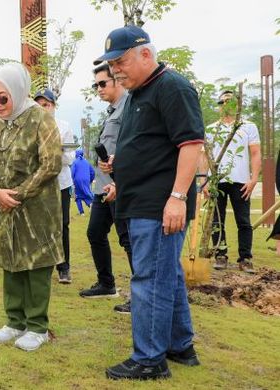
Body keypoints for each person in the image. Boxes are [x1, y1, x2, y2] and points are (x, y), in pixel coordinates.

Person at [95, 26, 203, 380]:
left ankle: (149, 359)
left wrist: (177, 198)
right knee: (165, 276)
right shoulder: (140, 92)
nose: (116, 71)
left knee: (149, 280)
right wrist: (118, 170)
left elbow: (190, 145)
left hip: (159, 205)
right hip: (140, 199)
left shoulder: (172, 86)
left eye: (121, 61)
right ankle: (179, 346)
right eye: (112, 65)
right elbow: (149, 148)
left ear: (145, 54)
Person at [0, 63, 63, 352]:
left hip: (38, 207)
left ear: (18, 90)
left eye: (3, 97)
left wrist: (19, 193)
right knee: (10, 262)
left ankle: (37, 326)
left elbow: (51, 163)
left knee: (36, 263)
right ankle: (14, 321)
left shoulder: (40, 119)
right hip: (4, 206)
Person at [78, 63, 133, 315]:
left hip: (119, 186)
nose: (98, 89)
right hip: (102, 187)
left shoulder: (130, 108)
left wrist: (119, 176)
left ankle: (140, 295)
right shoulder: (113, 111)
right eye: (95, 85)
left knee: (129, 240)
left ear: (118, 81)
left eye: (102, 83)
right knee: (95, 233)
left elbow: (132, 147)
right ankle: (106, 283)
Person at [205, 90, 261, 273]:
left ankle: (245, 258)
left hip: (241, 181)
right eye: (223, 103)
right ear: (219, 106)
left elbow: (255, 153)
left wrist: (253, 179)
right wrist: (205, 181)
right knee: (217, 220)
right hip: (217, 180)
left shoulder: (248, 126)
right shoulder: (212, 128)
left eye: (230, 102)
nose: (226, 106)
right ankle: (220, 255)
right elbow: (206, 156)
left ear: (237, 105)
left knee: (243, 221)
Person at [34, 88, 75, 284]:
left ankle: (63, 266)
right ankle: (42, 266)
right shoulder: (30, 126)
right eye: (39, 105)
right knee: (41, 224)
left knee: (62, 225)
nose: (43, 109)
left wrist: (54, 150)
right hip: (39, 184)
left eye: (46, 105)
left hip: (61, 183)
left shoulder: (64, 127)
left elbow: (70, 157)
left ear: (53, 106)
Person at [71, 149, 95, 215]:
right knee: (85, 194)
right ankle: (90, 204)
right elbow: (93, 172)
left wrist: (72, 180)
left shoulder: (75, 162)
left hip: (77, 180)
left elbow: (72, 172)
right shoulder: (87, 162)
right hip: (86, 180)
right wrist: (90, 180)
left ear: (76, 154)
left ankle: (82, 212)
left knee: (78, 196)